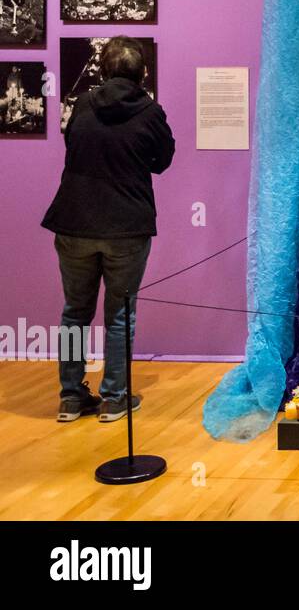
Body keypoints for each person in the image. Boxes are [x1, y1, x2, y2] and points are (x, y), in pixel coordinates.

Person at [42, 36, 174, 423]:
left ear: (103, 70)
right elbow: (162, 161)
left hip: (74, 222)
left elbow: (73, 145)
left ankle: (70, 397)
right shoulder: (151, 111)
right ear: (142, 74)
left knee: (74, 312)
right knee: (120, 315)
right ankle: (115, 398)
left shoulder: (82, 103)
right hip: (126, 227)